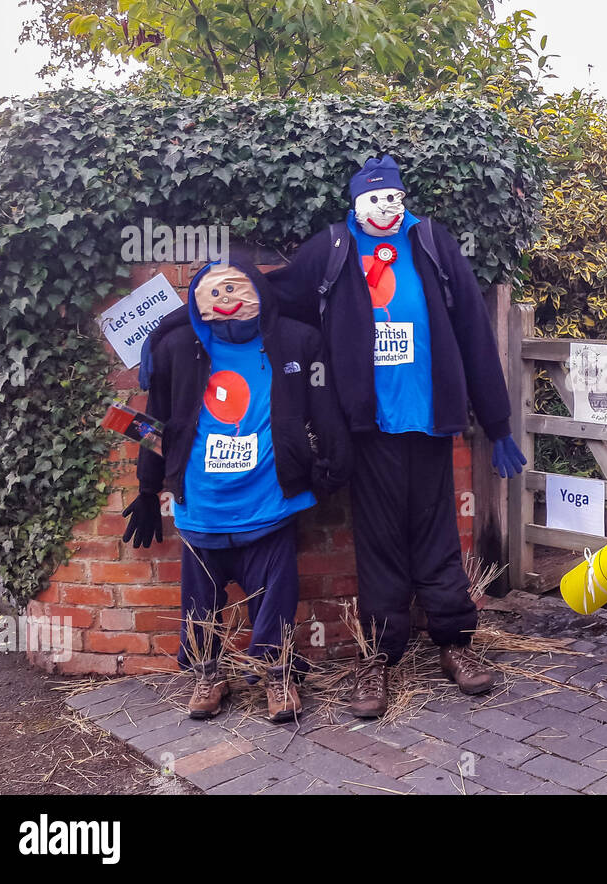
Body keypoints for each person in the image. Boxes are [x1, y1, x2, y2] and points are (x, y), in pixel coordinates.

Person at [265, 155, 526, 717]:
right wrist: (179, 326)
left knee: (437, 537)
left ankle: (454, 644)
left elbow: (475, 335)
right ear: (354, 204)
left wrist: (496, 422)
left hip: (430, 422)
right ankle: (379, 656)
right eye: (374, 198)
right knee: (379, 542)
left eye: (394, 197)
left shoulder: (431, 242)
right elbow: (271, 301)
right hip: (366, 428)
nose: (386, 207)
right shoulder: (332, 249)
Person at [122, 256, 351, 723]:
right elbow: (155, 421)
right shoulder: (176, 348)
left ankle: (277, 672)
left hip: (269, 500)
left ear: (259, 293)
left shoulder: (298, 340)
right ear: (198, 303)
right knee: (199, 602)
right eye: (215, 292)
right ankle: (209, 673)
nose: (226, 301)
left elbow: (324, 408)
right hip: (201, 505)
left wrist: (333, 465)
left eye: (235, 289)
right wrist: (148, 489)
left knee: (277, 597)